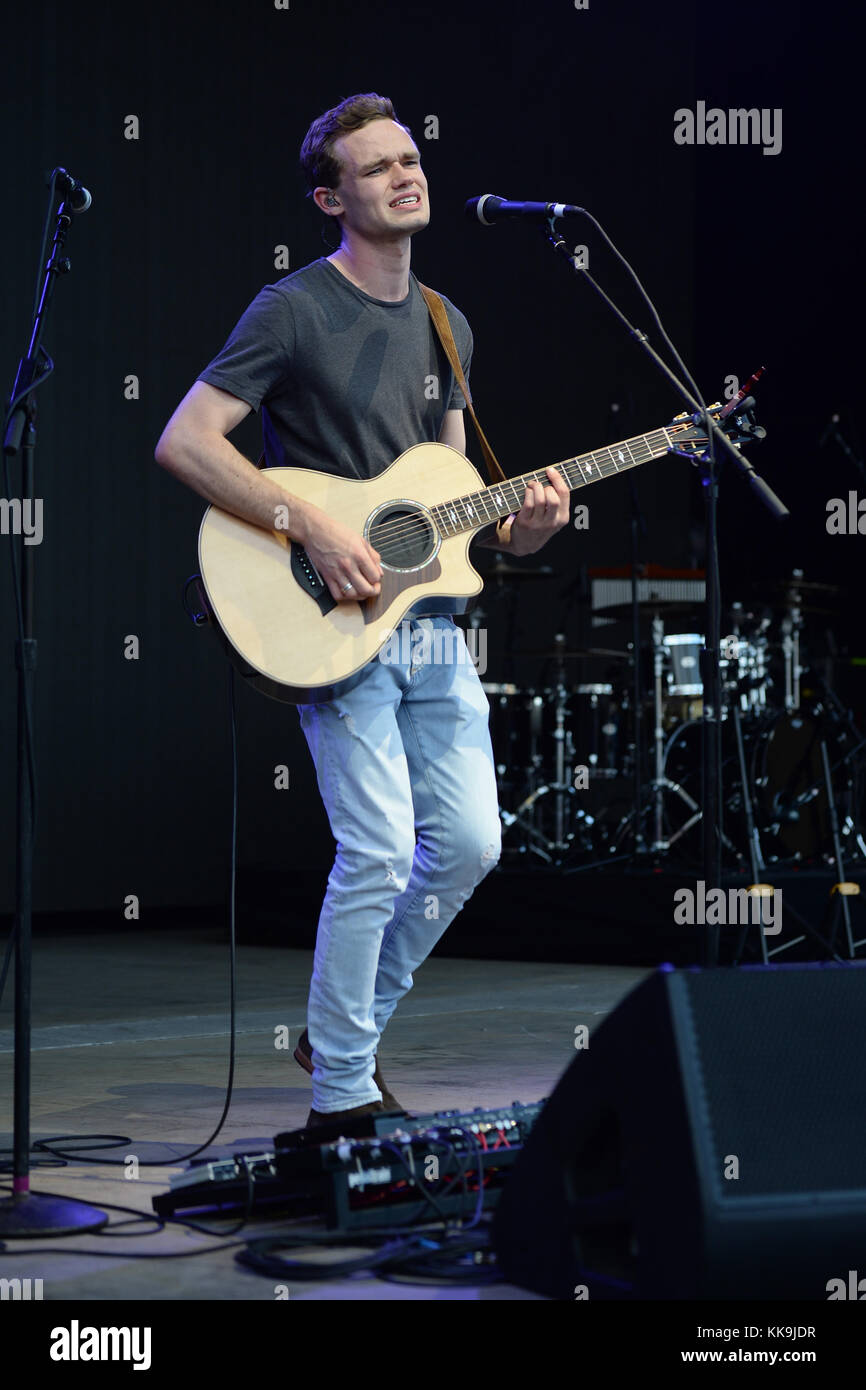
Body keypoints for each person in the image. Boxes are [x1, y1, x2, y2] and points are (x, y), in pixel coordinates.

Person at [154, 93, 570, 1128]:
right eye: (376, 166)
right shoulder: (291, 309)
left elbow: (448, 503)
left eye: (409, 157)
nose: (405, 174)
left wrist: (522, 532)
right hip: (329, 621)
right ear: (329, 198)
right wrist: (310, 526)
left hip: (427, 627)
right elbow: (185, 441)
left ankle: (341, 1030)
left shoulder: (447, 324)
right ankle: (341, 1097)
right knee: (379, 850)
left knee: (470, 845)